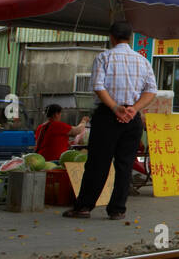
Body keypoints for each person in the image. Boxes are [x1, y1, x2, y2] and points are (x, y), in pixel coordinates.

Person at [64, 21, 156, 220]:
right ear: (130, 38)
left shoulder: (104, 58)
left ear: (112, 37)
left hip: (107, 116)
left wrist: (115, 108)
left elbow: (98, 86)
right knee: (125, 165)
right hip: (132, 119)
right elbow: (151, 91)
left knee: (98, 163)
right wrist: (133, 109)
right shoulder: (143, 61)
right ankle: (117, 209)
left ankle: (84, 207)